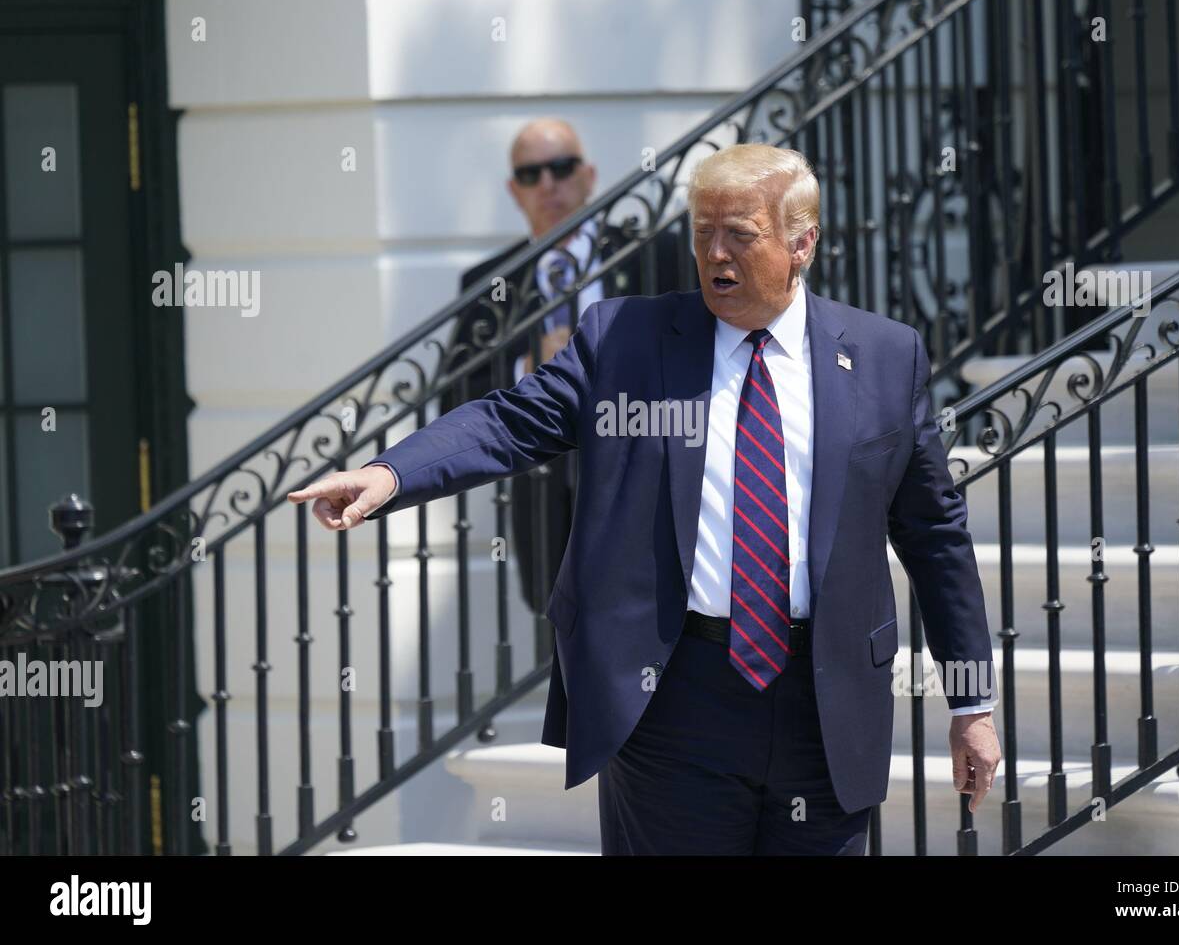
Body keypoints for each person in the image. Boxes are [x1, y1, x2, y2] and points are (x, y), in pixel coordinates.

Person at [289, 143, 1001, 855]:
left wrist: (971, 702)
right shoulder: (627, 342)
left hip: (829, 702)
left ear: (801, 243)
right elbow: (509, 420)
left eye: (740, 235)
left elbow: (934, 534)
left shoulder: (885, 355)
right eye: (702, 233)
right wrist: (390, 475)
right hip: (675, 701)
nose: (714, 254)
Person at [442, 118, 681, 616]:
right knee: (569, 657)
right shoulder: (489, 283)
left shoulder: (652, 253)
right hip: (547, 505)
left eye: (561, 168)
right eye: (531, 175)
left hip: (647, 491)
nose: (548, 185)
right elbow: (454, 398)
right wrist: (524, 368)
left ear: (589, 176)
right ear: (514, 190)